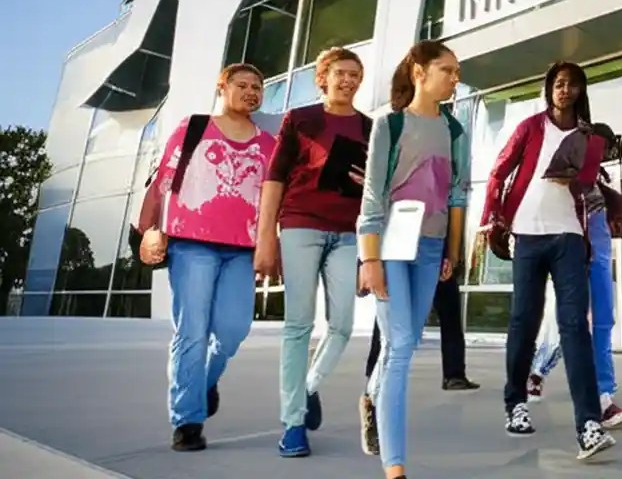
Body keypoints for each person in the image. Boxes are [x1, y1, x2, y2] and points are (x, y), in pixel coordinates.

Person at [480, 62, 616, 460]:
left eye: (572, 85)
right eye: (559, 83)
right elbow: (498, 172)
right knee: (524, 321)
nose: (564, 90)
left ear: (581, 92)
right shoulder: (530, 127)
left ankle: (589, 424)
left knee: (575, 326)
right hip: (527, 233)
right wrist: (492, 218)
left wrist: (589, 186)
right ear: (549, 88)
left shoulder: (588, 137)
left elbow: (588, 186)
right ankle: (515, 403)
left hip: (568, 236)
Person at [137, 64, 276, 452]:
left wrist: (271, 242)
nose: (251, 91)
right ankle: (187, 420)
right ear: (222, 87)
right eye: (242, 84)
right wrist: (150, 229)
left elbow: (273, 199)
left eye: (257, 86)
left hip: (242, 248)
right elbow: (163, 180)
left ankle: (203, 381)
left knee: (234, 329)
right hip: (191, 242)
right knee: (192, 330)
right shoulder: (193, 127)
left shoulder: (269, 144)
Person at [355, 40, 470, 479]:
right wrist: (370, 260)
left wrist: (453, 251)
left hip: (431, 246)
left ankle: (372, 395)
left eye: (457, 71)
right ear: (419, 72)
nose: (455, 78)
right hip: (390, 241)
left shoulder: (455, 130)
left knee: (404, 343)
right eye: (447, 70)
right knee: (400, 346)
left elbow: (457, 193)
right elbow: (372, 198)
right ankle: (395, 467)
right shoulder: (391, 124)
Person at [254, 47, 371, 458]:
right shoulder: (300, 119)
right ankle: (293, 424)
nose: (348, 80)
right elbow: (274, 178)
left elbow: (378, 190)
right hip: (300, 226)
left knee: (342, 325)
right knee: (298, 326)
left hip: (347, 234)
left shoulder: (370, 127)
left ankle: (307, 386)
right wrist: (266, 236)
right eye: (340, 73)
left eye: (355, 74)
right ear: (322, 78)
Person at [527, 123, 622, 429]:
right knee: (570, 325)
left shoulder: (600, 180)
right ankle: (543, 374)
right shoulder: (566, 177)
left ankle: (603, 398)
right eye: (598, 146)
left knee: (603, 321)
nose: (601, 153)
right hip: (574, 257)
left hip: (600, 259)